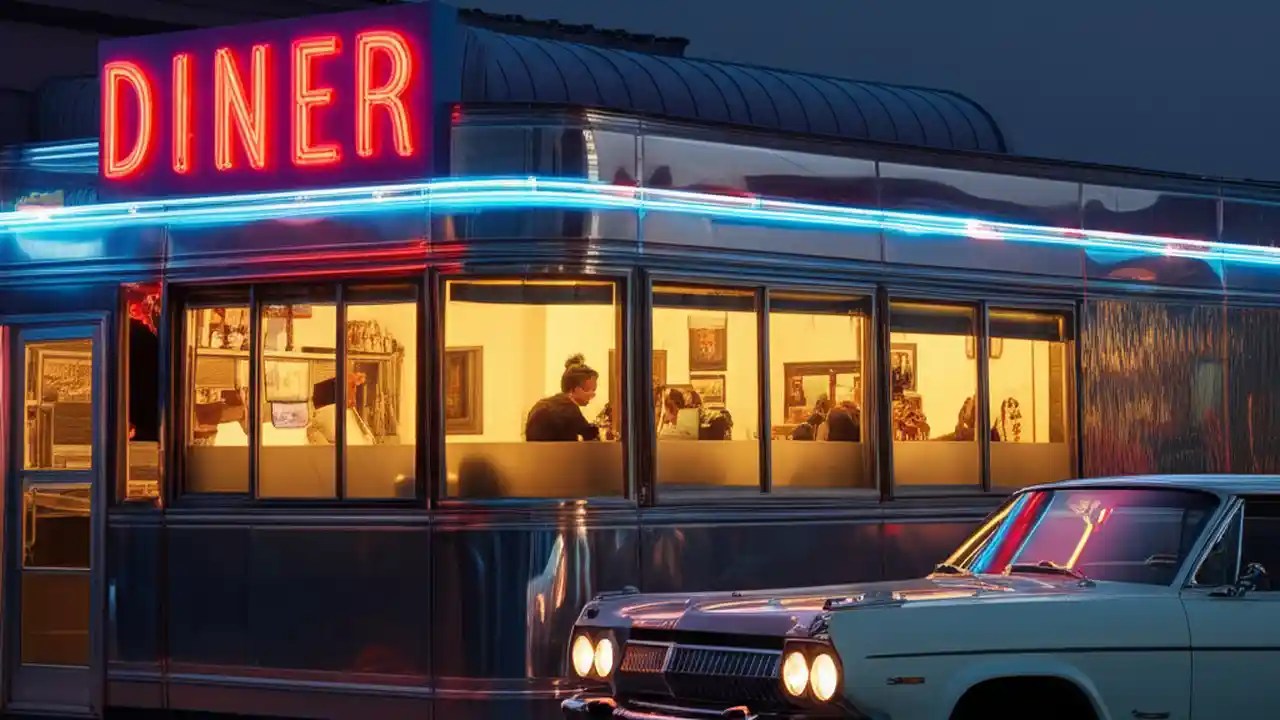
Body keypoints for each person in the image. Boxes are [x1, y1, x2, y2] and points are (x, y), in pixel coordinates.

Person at [525, 355, 601, 442]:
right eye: (588, 390)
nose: (593, 394)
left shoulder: (543, 404)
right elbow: (590, 435)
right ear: (573, 389)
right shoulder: (569, 408)